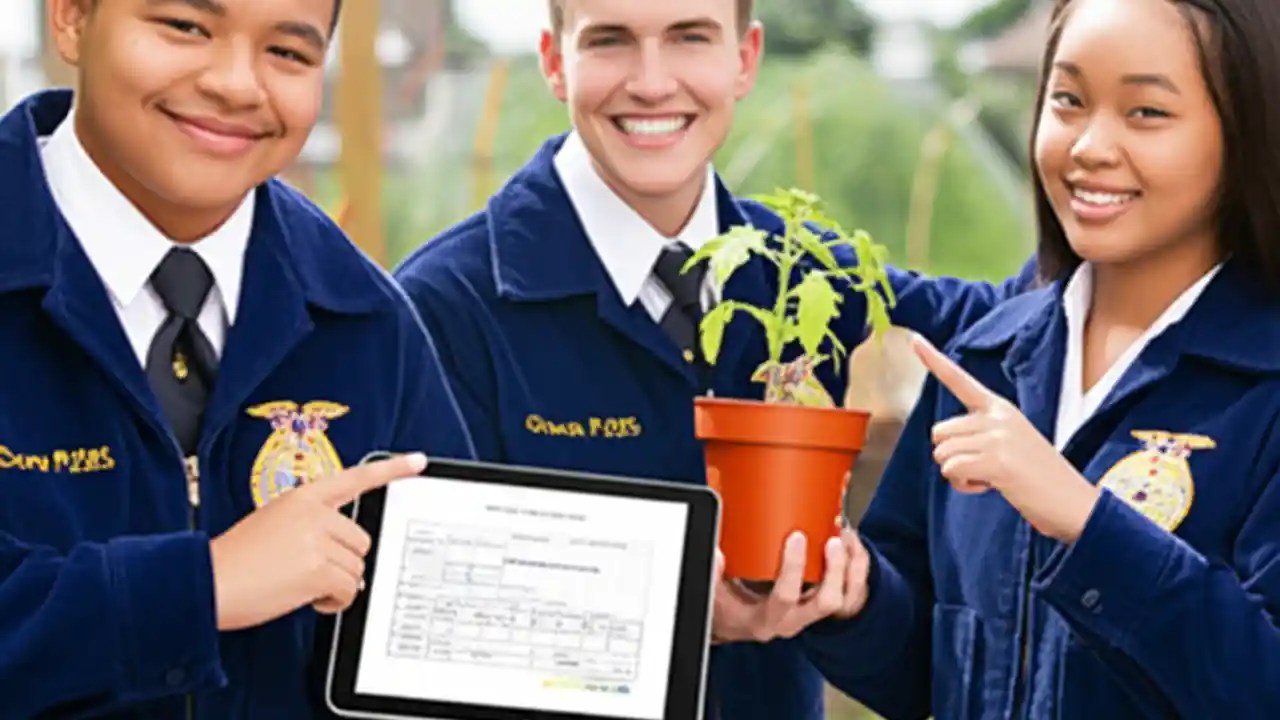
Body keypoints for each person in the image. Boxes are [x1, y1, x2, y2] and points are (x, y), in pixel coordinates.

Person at [393, 0, 1037, 717]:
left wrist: (1098, 183)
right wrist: (671, 615)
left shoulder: (797, 270)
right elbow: (423, 619)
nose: (651, 81)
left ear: (745, 58)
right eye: (610, 41)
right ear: (553, 60)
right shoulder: (444, 306)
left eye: (689, 37)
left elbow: (1021, 318)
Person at [784, 0, 1280, 717]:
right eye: (1069, 101)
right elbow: (922, 669)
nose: (1088, 146)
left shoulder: (1264, 387)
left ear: (1244, 133)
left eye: (1145, 112)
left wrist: (1086, 522)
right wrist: (852, 601)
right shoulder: (983, 363)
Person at [1, 0, 474, 716]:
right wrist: (204, 587)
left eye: (288, 53)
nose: (236, 83)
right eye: (186, 27)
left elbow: (449, 644)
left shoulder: (366, 322)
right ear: (71, 18)